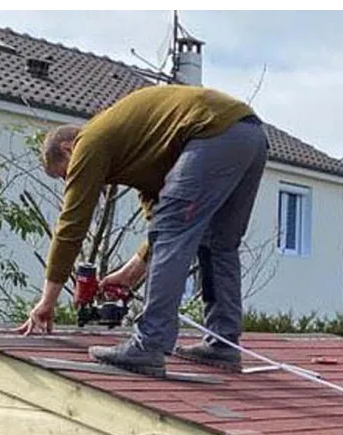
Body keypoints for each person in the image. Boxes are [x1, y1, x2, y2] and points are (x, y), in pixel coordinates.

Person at [16, 84, 268, 376]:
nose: (69, 182)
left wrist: (47, 301)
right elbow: (159, 224)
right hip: (250, 136)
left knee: (177, 232)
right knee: (218, 244)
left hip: (213, 134)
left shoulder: (89, 142)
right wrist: (130, 271)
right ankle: (222, 343)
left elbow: (71, 225)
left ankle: (148, 344)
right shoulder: (139, 150)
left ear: (67, 148)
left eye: (65, 173)